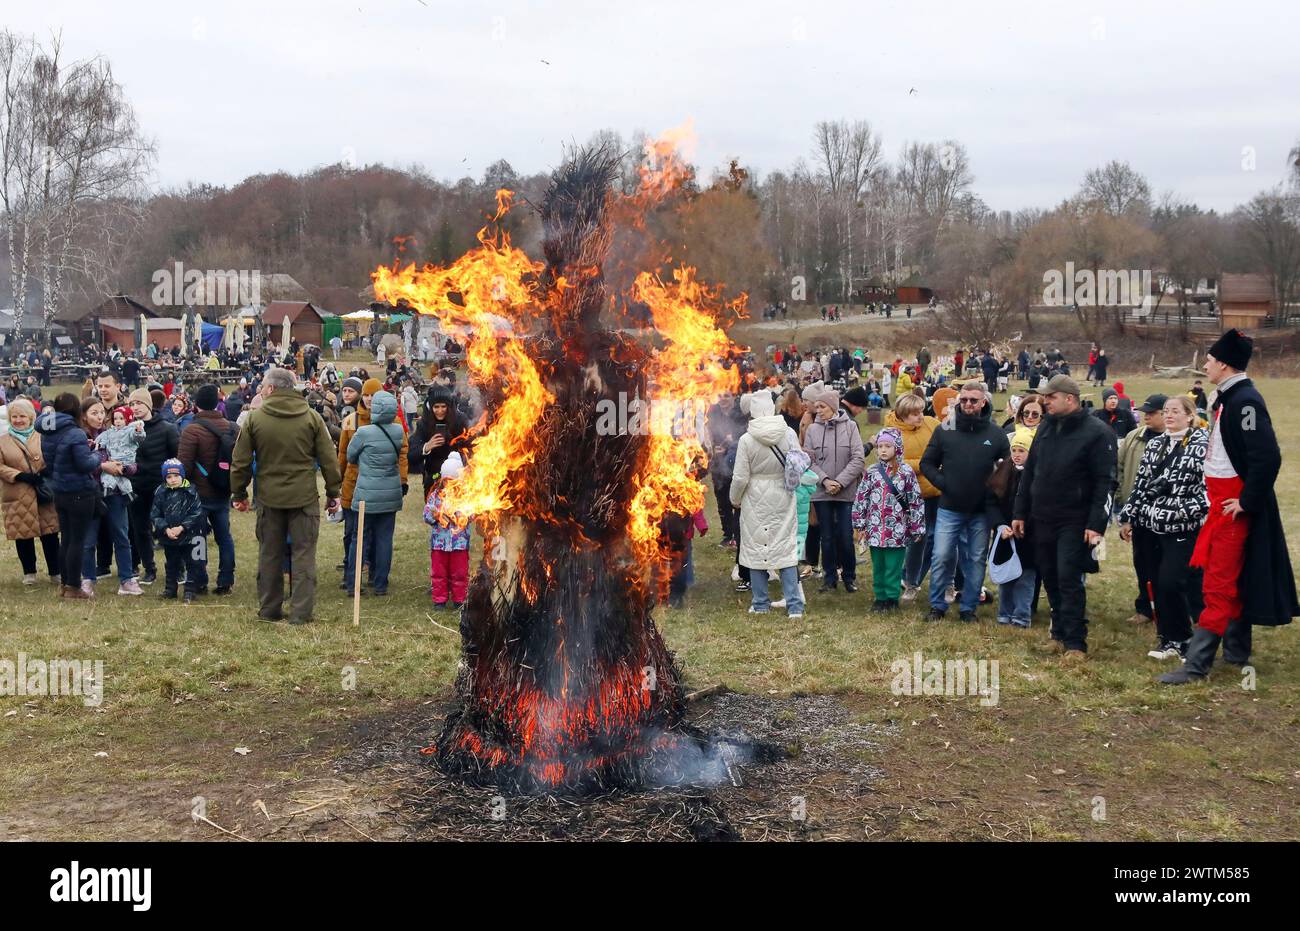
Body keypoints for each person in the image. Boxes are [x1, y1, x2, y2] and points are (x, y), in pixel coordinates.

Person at [1160, 330, 1297, 684]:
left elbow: (1266, 456)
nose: (1205, 364)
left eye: (1208, 359)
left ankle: (1196, 665)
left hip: (1231, 508)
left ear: (1222, 364)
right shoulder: (1230, 398)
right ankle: (1236, 651)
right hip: (1219, 504)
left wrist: (1246, 501)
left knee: (1218, 583)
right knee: (1229, 577)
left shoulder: (1246, 402)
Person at [1012, 375, 1114, 660]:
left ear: (1069, 399)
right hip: (1042, 516)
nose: (1045, 401)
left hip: (1075, 519)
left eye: (1050, 397)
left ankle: (1075, 642)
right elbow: (1030, 473)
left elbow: (1105, 482)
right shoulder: (1046, 428)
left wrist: (1096, 524)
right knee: (1050, 575)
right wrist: (1020, 512)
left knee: (1069, 577)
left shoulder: (1097, 433)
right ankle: (1057, 633)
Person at [230, 367, 343, 624]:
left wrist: (239, 492)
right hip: (304, 498)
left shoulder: (254, 420)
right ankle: (301, 613)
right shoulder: (311, 417)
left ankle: (269, 610)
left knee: (269, 554)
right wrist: (333, 492)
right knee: (304, 554)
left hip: (269, 499)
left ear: (270, 389)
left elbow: (240, 461)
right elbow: (329, 459)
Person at [1119, 396, 1209, 662]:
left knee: (1172, 581)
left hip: (1183, 526)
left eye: (1175, 411)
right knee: (1155, 582)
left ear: (1190, 415)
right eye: (1166, 411)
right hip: (1149, 524)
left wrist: (1179, 510)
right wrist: (1129, 516)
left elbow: (1207, 492)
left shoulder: (1202, 445)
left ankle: (1188, 637)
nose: (1169, 415)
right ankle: (1169, 638)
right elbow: (1141, 484)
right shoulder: (1155, 444)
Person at [921, 381, 1009, 621]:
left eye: (973, 400)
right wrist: (944, 483)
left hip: (981, 511)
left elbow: (1007, 468)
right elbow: (926, 463)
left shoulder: (996, 434)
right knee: (941, 556)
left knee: (976, 559)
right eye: (964, 399)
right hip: (950, 508)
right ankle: (937, 606)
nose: (968, 404)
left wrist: (995, 492)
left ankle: (969, 607)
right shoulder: (944, 430)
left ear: (984, 402)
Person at [730, 389, 806, 618]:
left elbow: (741, 476)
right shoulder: (789, 434)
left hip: (755, 496)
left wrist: (735, 499)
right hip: (783, 492)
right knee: (785, 547)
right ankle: (794, 605)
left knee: (755, 547)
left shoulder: (746, 439)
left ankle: (761, 602)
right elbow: (797, 463)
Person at [344, 389, 408, 597]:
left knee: (359, 538)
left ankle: (354, 582)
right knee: (384, 539)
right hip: (390, 493)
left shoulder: (363, 433)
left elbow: (351, 456)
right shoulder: (398, 431)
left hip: (366, 494)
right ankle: (380, 584)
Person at [37, 393, 100, 599]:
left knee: (66, 539)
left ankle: (65, 584)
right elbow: (84, 464)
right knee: (77, 541)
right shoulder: (75, 433)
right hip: (79, 491)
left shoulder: (48, 431)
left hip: (60, 490)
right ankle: (74, 586)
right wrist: (96, 455)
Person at [852, 427, 924, 609]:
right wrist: (860, 523)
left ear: (897, 447)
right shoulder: (872, 472)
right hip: (875, 529)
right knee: (879, 566)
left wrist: (917, 526)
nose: (883, 450)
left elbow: (915, 500)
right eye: (880, 446)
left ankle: (892, 597)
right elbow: (862, 497)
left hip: (897, 529)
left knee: (893, 565)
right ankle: (880, 596)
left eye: (888, 446)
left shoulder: (906, 472)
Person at [802, 384, 864, 594]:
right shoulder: (812, 430)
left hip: (845, 493)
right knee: (826, 537)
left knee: (846, 536)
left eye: (822, 406)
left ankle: (849, 576)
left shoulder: (850, 427)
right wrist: (826, 481)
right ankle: (829, 578)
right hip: (822, 492)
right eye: (816, 406)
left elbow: (858, 458)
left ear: (833, 407)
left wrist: (841, 482)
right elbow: (809, 461)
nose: (818, 410)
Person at [178, 384, 238, 595]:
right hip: (223, 489)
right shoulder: (232, 428)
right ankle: (226, 579)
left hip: (198, 493)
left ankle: (199, 578)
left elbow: (183, 466)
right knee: (225, 537)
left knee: (198, 537)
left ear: (196, 405)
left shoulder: (191, 430)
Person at [1116, 394, 1167, 625]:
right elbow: (1119, 468)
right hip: (1138, 513)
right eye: (1145, 411)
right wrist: (1122, 502)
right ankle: (1145, 607)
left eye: (1152, 412)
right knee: (1142, 561)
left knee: (1168, 565)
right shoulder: (1133, 437)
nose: (1146, 415)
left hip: (1168, 516)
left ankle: (1171, 607)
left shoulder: (1178, 440)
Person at [887, 393, 941, 601]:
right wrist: (927, 463)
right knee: (918, 539)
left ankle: (942, 583)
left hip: (939, 490)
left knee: (938, 538)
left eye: (921, 411)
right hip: (915, 496)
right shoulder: (892, 433)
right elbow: (894, 464)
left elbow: (947, 441)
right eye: (914, 414)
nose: (920, 417)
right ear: (903, 414)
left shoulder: (931, 424)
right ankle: (910, 580)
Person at [0, 398, 60, 585]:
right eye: (14, 416)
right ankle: (29, 573)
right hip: (17, 492)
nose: (18, 420)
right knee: (23, 535)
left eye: (22, 416)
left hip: (43, 490)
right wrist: (19, 475)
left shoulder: (43, 436)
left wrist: (46, 469)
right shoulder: (3, 441)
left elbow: (53, 456)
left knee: (50, 534)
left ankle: (56, 572)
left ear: (31, 417)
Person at [126, 388, 179, 585]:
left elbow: (176, 457)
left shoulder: (167, 428)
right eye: (131, 404)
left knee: (168, 529)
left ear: (148, 404)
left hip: (161, 487)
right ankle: (149, 568)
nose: (135, 407)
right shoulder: (129, 430)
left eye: (138, 403)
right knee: (140, 530)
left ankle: (176, 568)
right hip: (137, 486)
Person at [987, 428, 1037, 627]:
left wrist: (1027, 524)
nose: (1017, 455)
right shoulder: (1002, 471)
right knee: (1006, 576)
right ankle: (1004, 612)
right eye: (1014, 450)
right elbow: (991, 502)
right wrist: (999, 525)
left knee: (1025, 577)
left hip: (1029, 536)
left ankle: (1022, 615)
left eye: (1022, 451)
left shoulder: (1037, 474)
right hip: (1005, 535)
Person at [150, 459, 205, 603]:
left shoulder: (191, 491)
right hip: (169, 536)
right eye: (169, 477)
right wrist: (166, 529)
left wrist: (182, 527)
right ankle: (170, 590)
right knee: (171, 563)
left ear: (182, 475)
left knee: (192, 563)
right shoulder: (161, 492)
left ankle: (190, 591)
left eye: (176, 476)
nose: (173, 480)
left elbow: (196, 512)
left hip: (189, 535)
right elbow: (155, 515)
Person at [425, 451, 471, 609]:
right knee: (439, 572)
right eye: (447, 480)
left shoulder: (465, 497)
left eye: (453, 481)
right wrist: (436, 516)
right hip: (439, 543)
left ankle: (459, 599)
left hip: (459, 543)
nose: (449, 484)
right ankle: (439, 599)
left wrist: (458, 516)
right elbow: (427, 514)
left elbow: (471, 515)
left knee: (460, 573)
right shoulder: (435, 496)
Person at [408, 388, 469, 499]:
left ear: (449, 407)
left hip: (458, 478)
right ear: (431, 407)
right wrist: (426, 447)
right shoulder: (424, 424)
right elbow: (411, 455)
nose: (440, 411)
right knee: (434, 513)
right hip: (433, 477)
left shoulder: (460, 421)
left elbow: (472, 445)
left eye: (443, 406)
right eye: (436, 407)